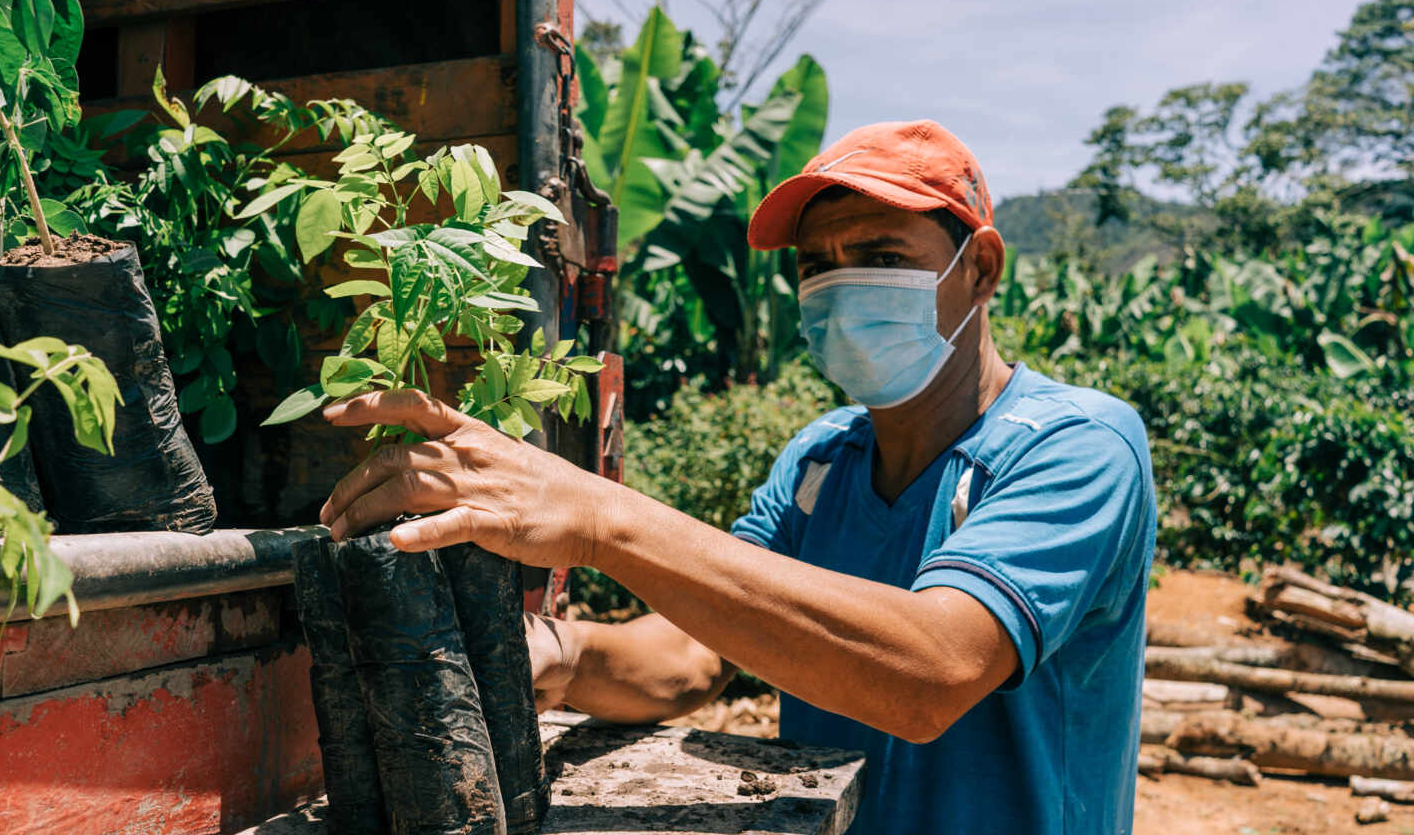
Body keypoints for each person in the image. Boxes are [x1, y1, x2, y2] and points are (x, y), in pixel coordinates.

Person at [316, 120, 1157, 835]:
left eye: (880, 253)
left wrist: (602, 519)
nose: (839, 283)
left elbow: (929, 676)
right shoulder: (823, 461)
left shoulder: (1075, 447)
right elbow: (690, 655)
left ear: (980, 268)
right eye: (817, 264)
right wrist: (557, 656)